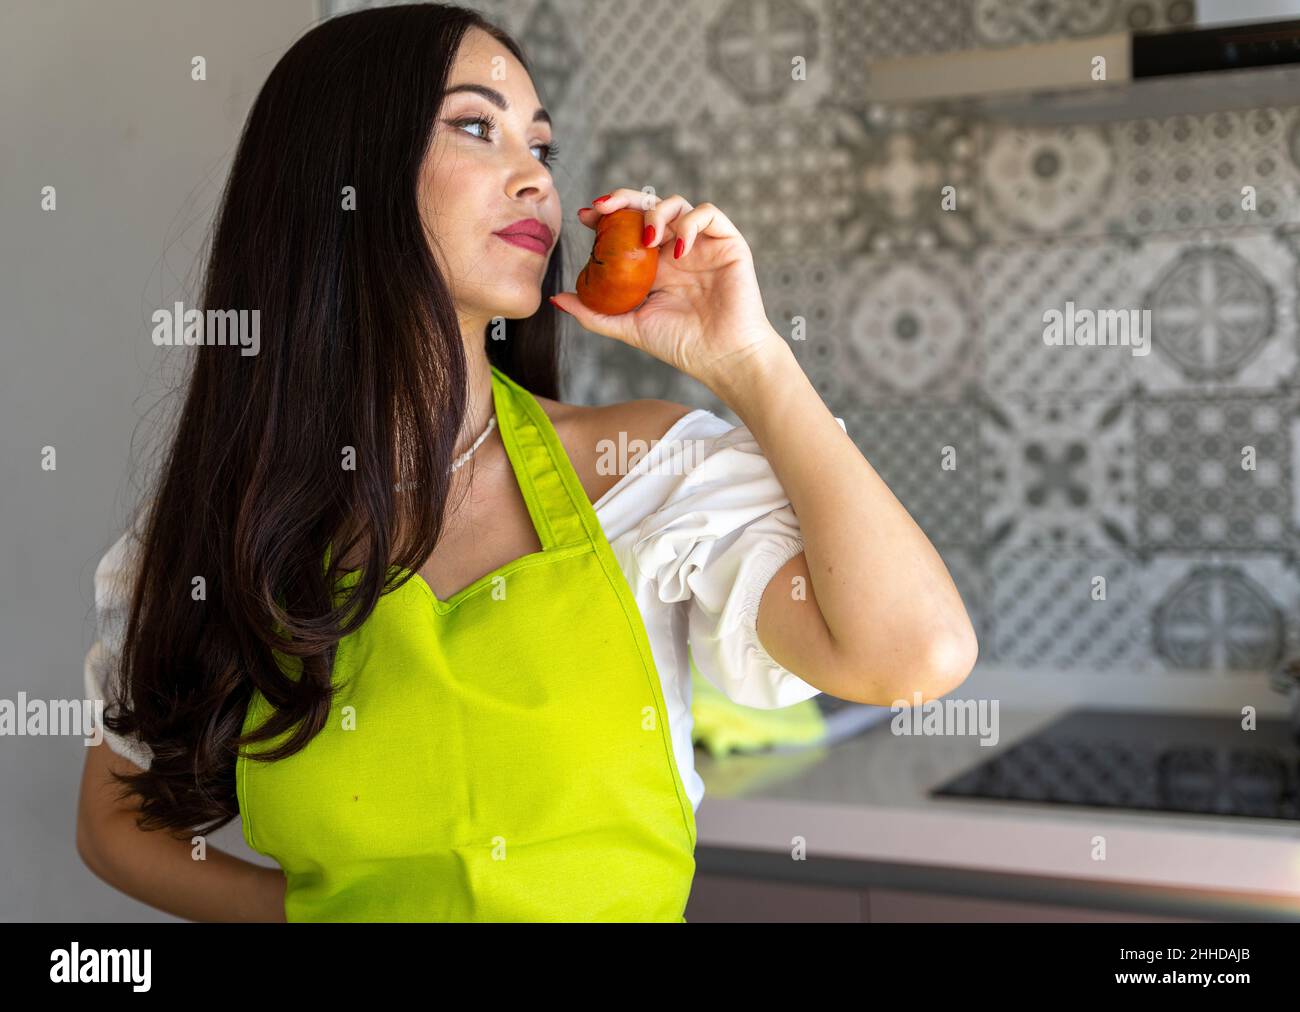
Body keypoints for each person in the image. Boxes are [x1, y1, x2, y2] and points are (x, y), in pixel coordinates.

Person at [76, 2, 978, 923]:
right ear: (341, 177)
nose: (536, 183)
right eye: (478, 128)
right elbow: (115, 826)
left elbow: (914, 658)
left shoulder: (646, 477)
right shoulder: (220, 529)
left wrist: (750, 361)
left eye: (541, 149)